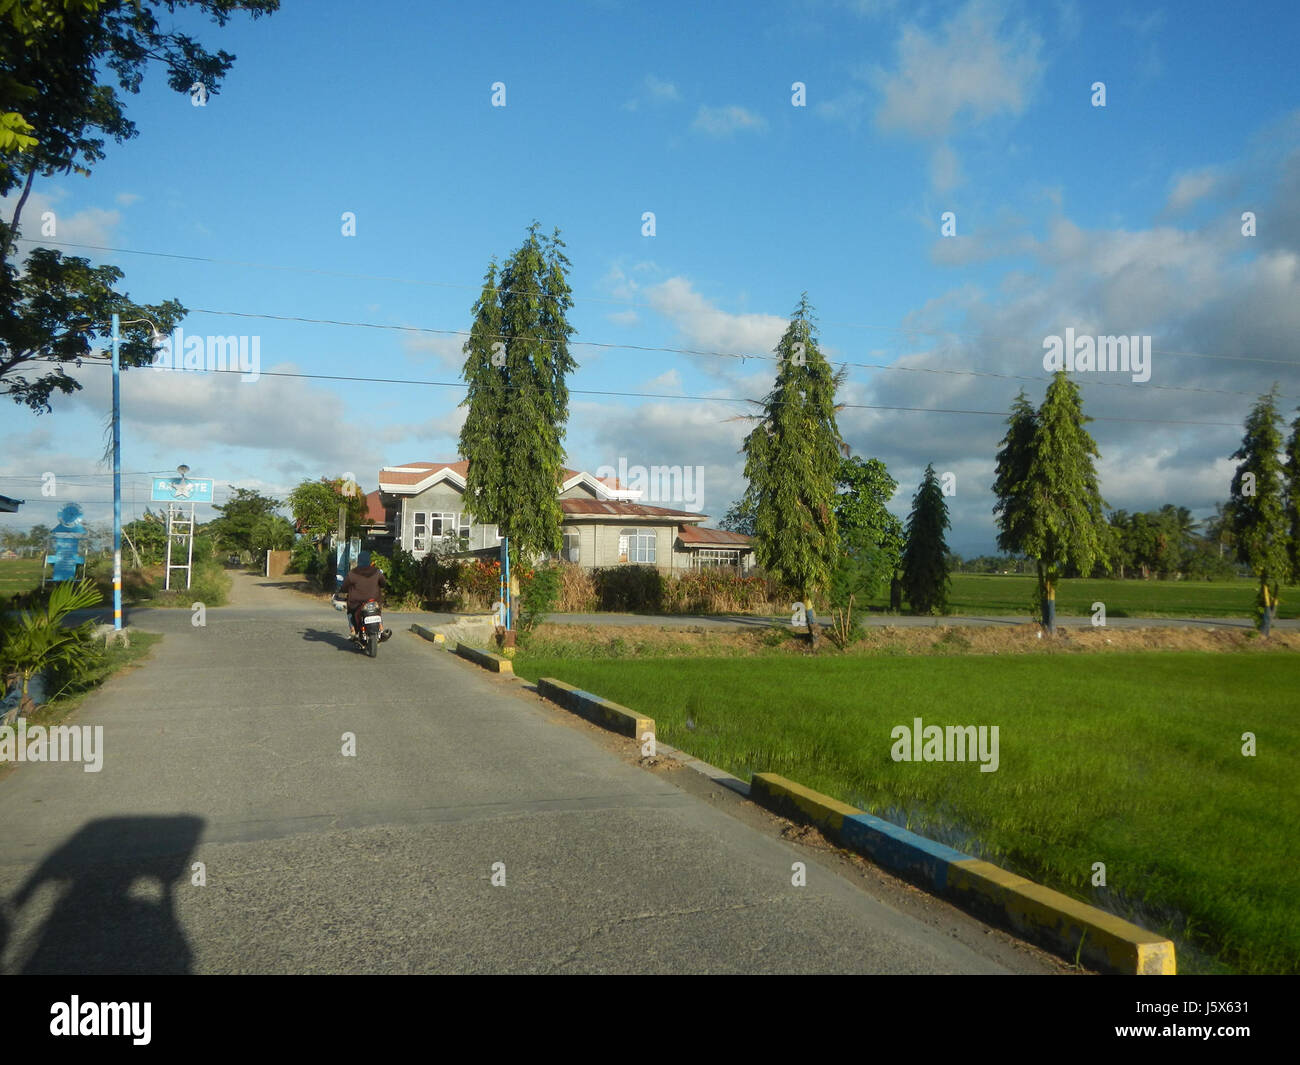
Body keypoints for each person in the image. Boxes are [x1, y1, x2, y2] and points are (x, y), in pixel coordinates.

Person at [338, 551, 390, 641]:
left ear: (359, 561)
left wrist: (342, 591)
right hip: (374, 600)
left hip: (356, 602)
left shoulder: (352, 573)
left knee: (350, 612)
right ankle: (381, 629)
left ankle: (353, 631)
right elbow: (383, 583)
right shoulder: (376, 572)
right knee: (377, 611)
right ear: (369, 561)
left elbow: (344, 587)